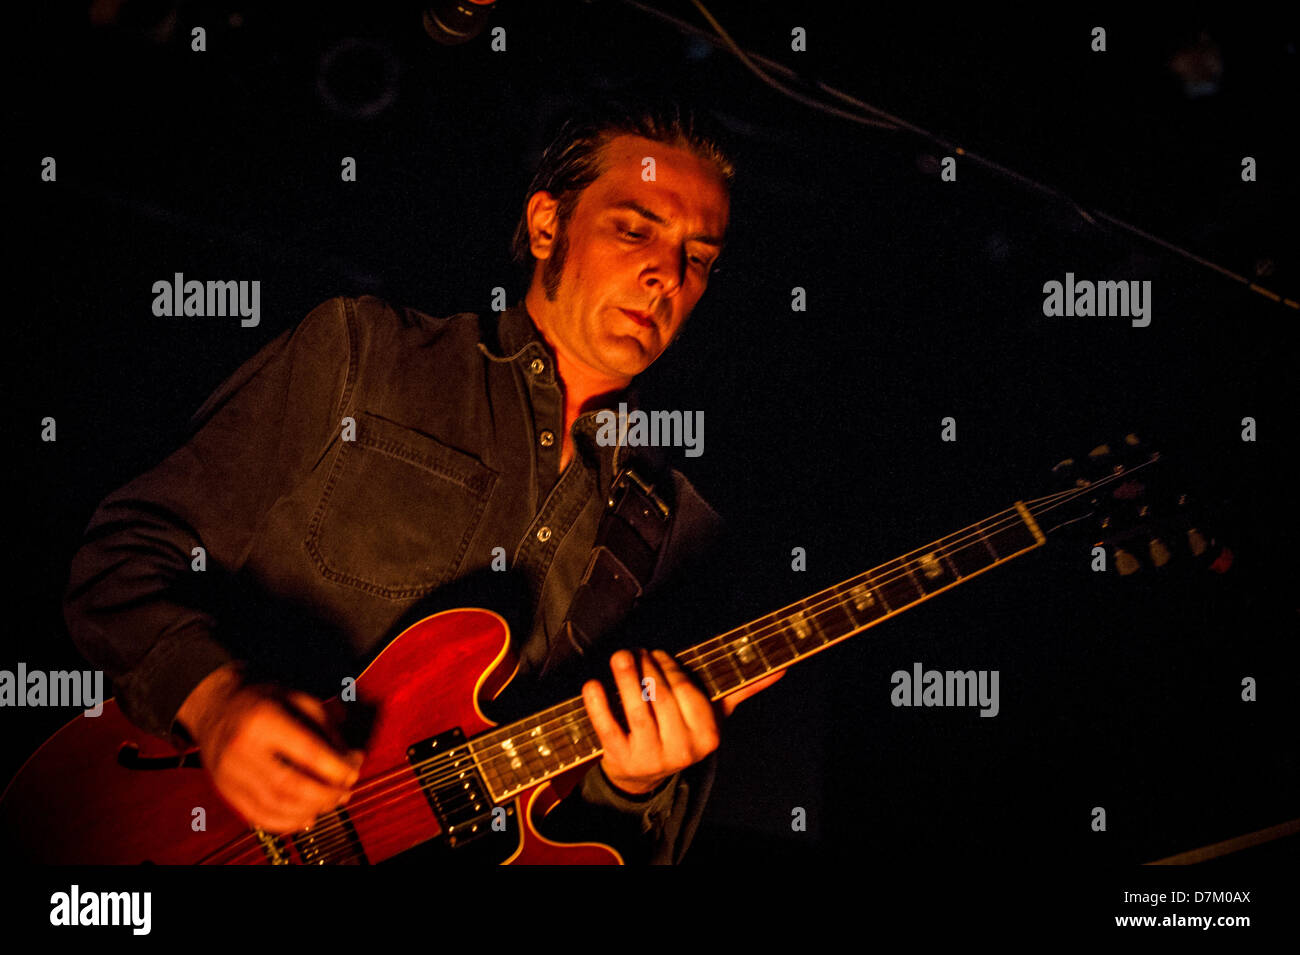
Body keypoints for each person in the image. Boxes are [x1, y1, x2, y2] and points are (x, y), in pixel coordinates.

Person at [63, 93, 782, 865]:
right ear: (548, 226)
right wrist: (214, 702)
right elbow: (118, 561)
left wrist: (633, 785)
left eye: (699, 257)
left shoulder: (685, 532)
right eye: (635, 229)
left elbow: (635, 849)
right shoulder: (366, 353)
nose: (665, 274)